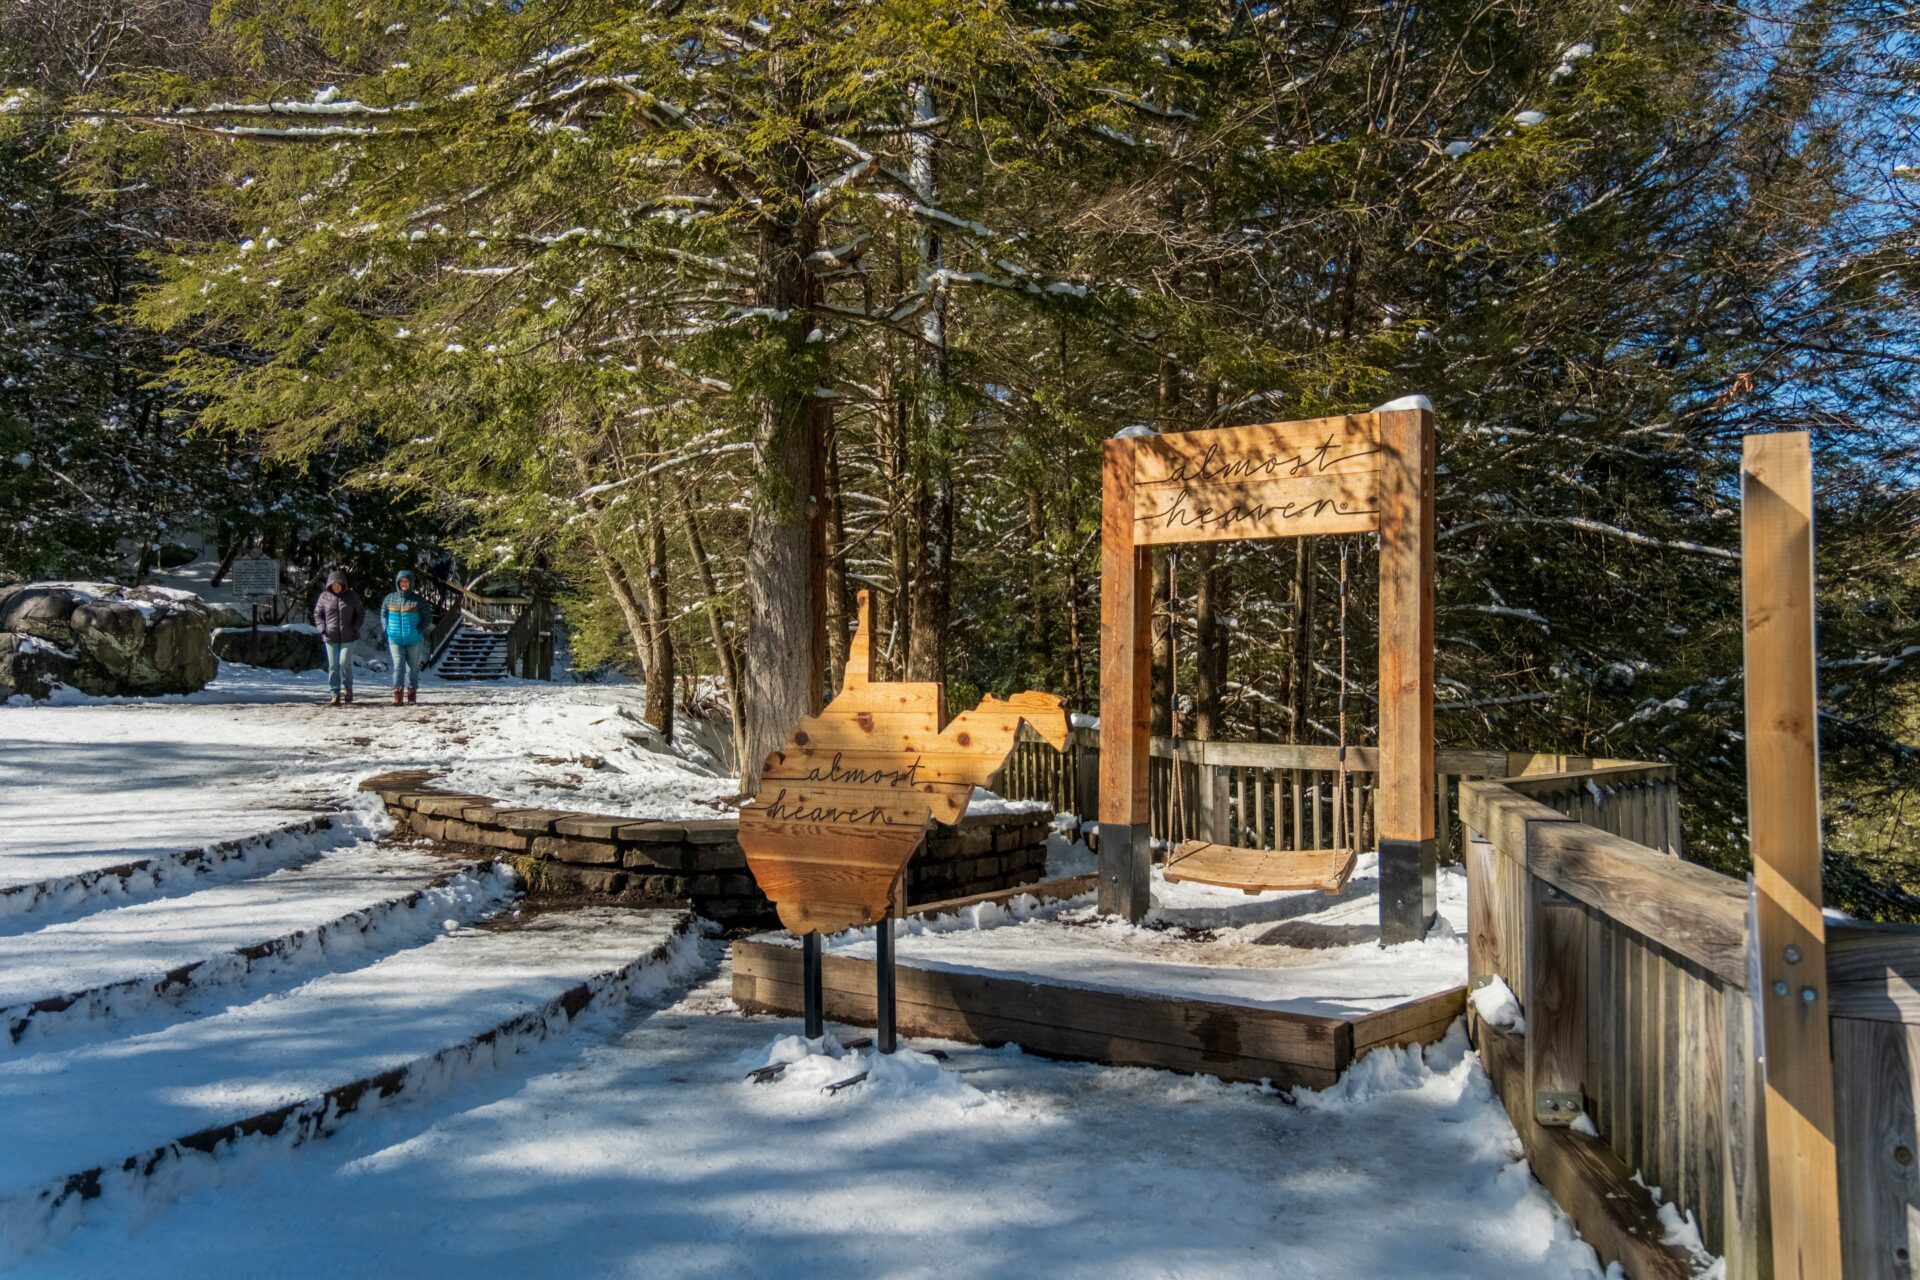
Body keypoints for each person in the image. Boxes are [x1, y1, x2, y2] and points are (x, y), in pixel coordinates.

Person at [311, 570, 365, 707]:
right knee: (333, 665)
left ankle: (348, 688)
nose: (337, 586)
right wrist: (322, 629)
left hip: (349, 637)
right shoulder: (324, 597)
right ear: (330, 585)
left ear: (343, 584)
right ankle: (334, 693)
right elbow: (317, 614)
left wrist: (355, 627)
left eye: (339, 584)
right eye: (334, 584)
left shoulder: (352, 596)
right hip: (330, 636)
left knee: (344, 661)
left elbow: (360, 613)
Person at [381, 569, 433, 705]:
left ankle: (411, 694)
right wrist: (386, 629)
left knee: (413, 668)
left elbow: (428, 617)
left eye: (407, 581)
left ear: (411, 583)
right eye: (402, 581)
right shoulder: (390, 598)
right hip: (395, 639)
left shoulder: (418, 600)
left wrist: (419, 629)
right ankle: (397, 696)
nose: (404, 584)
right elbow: (383, 614)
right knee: (398, 666)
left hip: (414, 640)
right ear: (398, 582)